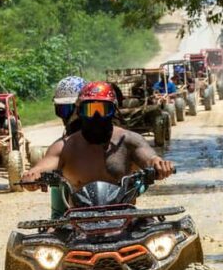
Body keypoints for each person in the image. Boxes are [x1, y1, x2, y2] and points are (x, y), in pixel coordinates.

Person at [21, 81, 175, 218]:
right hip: (78, 224)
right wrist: (32, 176)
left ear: (113, 110)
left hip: (125, 220)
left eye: (103, 110)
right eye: (89, 110)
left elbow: (150, 158)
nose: (96, 116)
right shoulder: (65, 147)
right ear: (80, 112)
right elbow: (42, 167)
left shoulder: (129, 140)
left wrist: (159, 165)